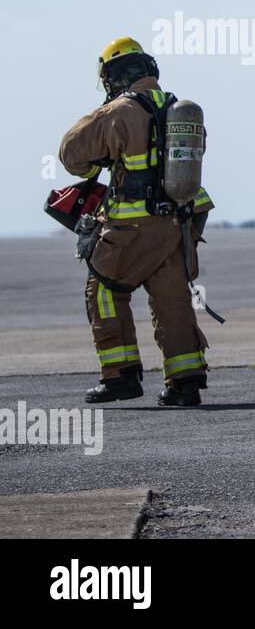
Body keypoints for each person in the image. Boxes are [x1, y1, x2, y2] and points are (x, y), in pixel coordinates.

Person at [60, 37, 216, 407]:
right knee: (172, 300)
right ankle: (186, 382)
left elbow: (71, 154)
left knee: (104, 289)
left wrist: (105, 148)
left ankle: (120, 377)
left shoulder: (119, 112)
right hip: (179, 225)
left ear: (115, 75)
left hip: (131, 228)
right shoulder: (181, 110)